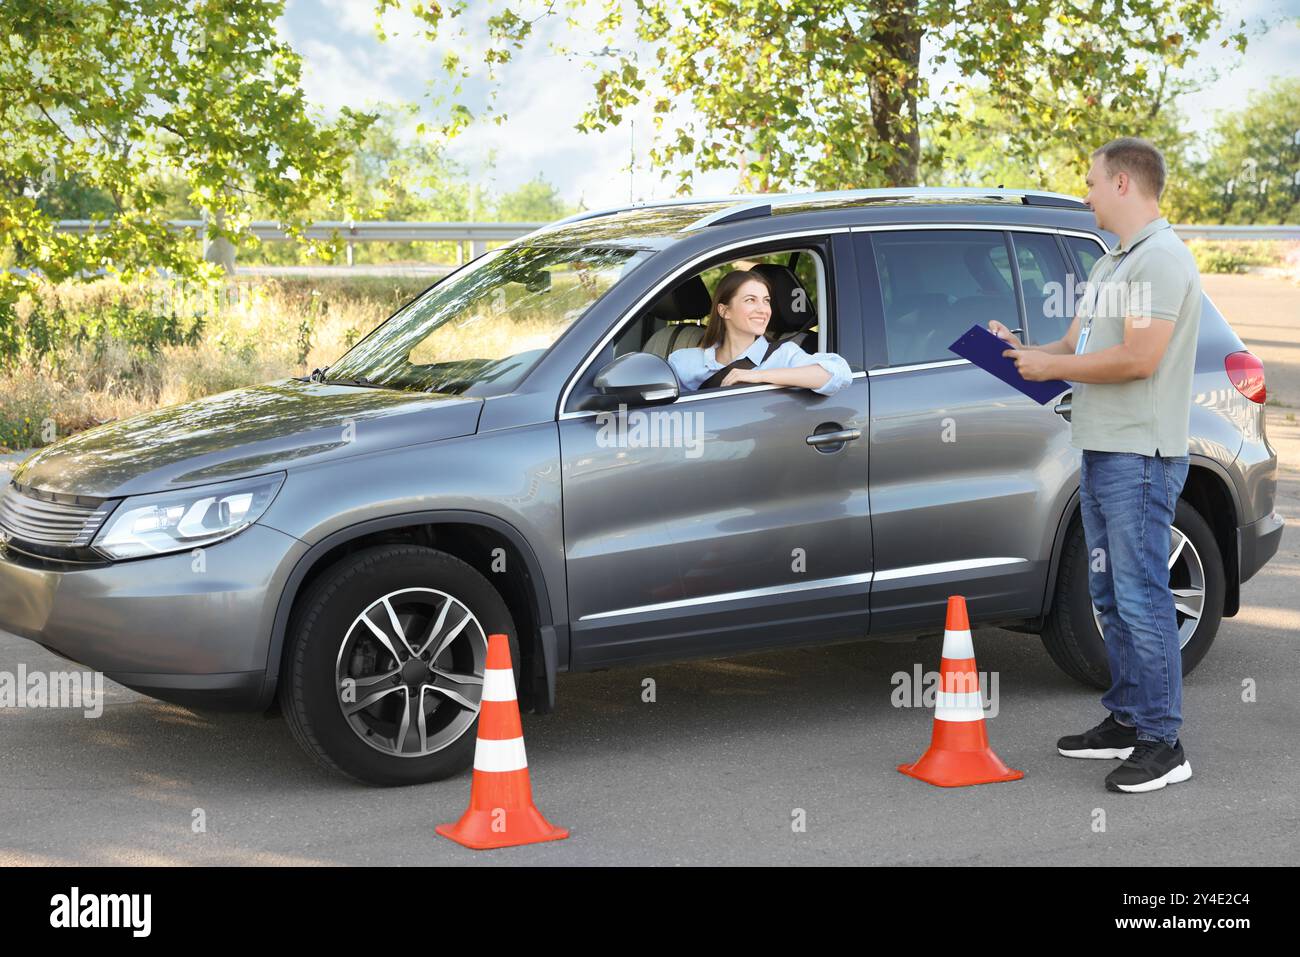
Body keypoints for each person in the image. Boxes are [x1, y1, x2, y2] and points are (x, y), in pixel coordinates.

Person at [992, 136, 1203, 794]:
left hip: (1140, 454)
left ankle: (1164, 744)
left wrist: (1053, 365)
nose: (1083, 194)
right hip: (1102, 448)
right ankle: (1127, 718)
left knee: (1141, 600)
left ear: (1121, 184)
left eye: (1089, 183)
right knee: (1111, 595)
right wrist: (1022, 353)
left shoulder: (1161, 262)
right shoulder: (1114, 263)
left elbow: (1139, 358)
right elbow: (1073, 345)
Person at [667, 269, 852, 396]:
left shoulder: (783, 355)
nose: (763, 310)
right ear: (724, 311)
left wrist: (758, 376)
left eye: (766, 300)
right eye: (751, 300)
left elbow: (839, 374)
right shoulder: (684, 361)